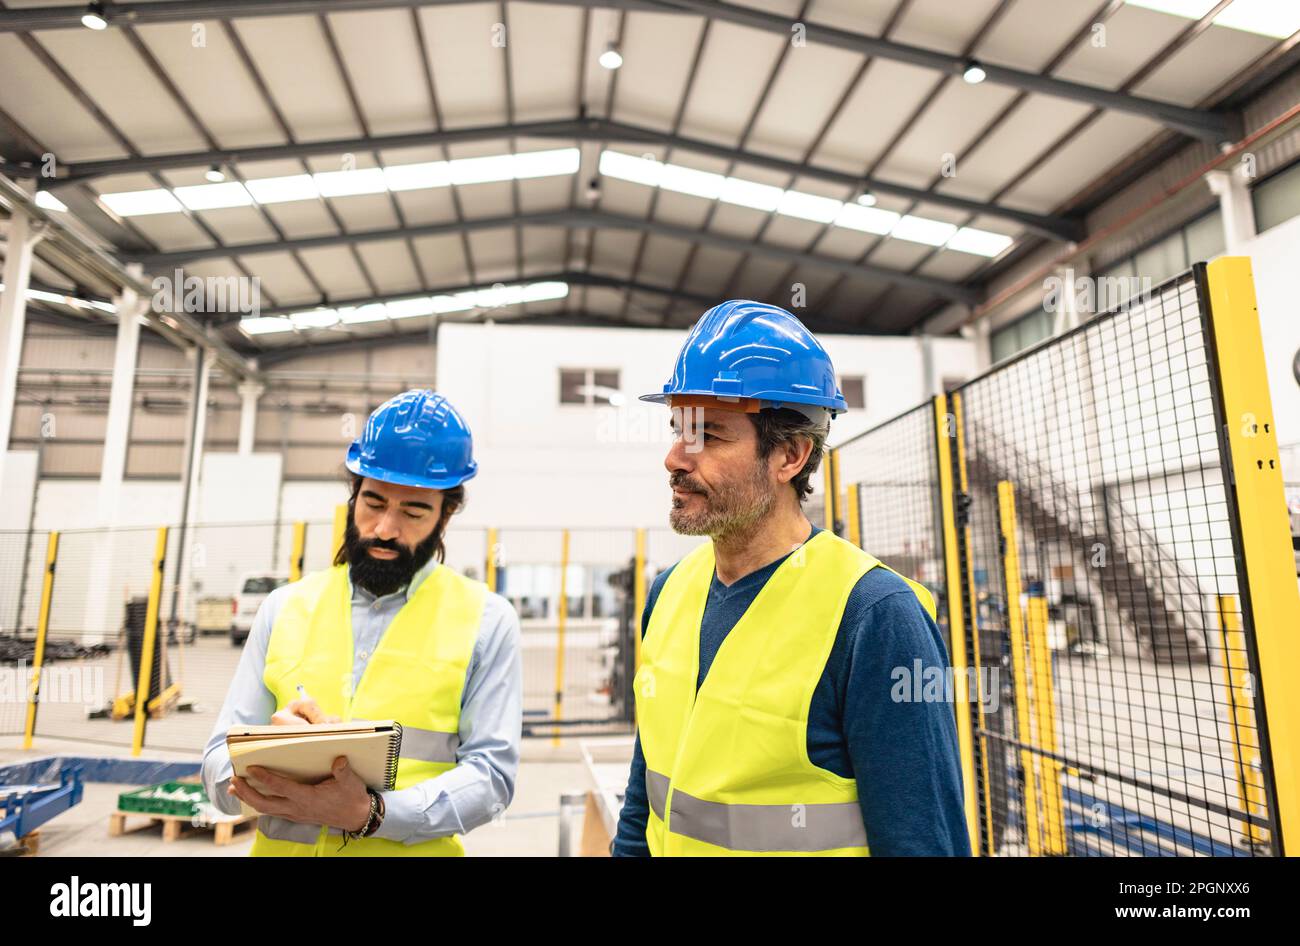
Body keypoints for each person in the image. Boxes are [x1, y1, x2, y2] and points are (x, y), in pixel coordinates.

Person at [613, 300, 970, 856]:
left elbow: (922, 841)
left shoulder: (876, 617)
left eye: (707, 434)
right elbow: (647, 797)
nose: (674, 458)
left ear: (790, 456)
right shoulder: (669, 592)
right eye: (677, 429)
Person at [200, 389, 522, 856]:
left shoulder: (487, 622)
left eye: (413, 511)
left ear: (445, 515)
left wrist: (372, 815)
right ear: (354, 494)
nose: (386, 529)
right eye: (372, 503)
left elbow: (491, 780)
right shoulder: (283, 608)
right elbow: (214, 772)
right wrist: (263, 757)